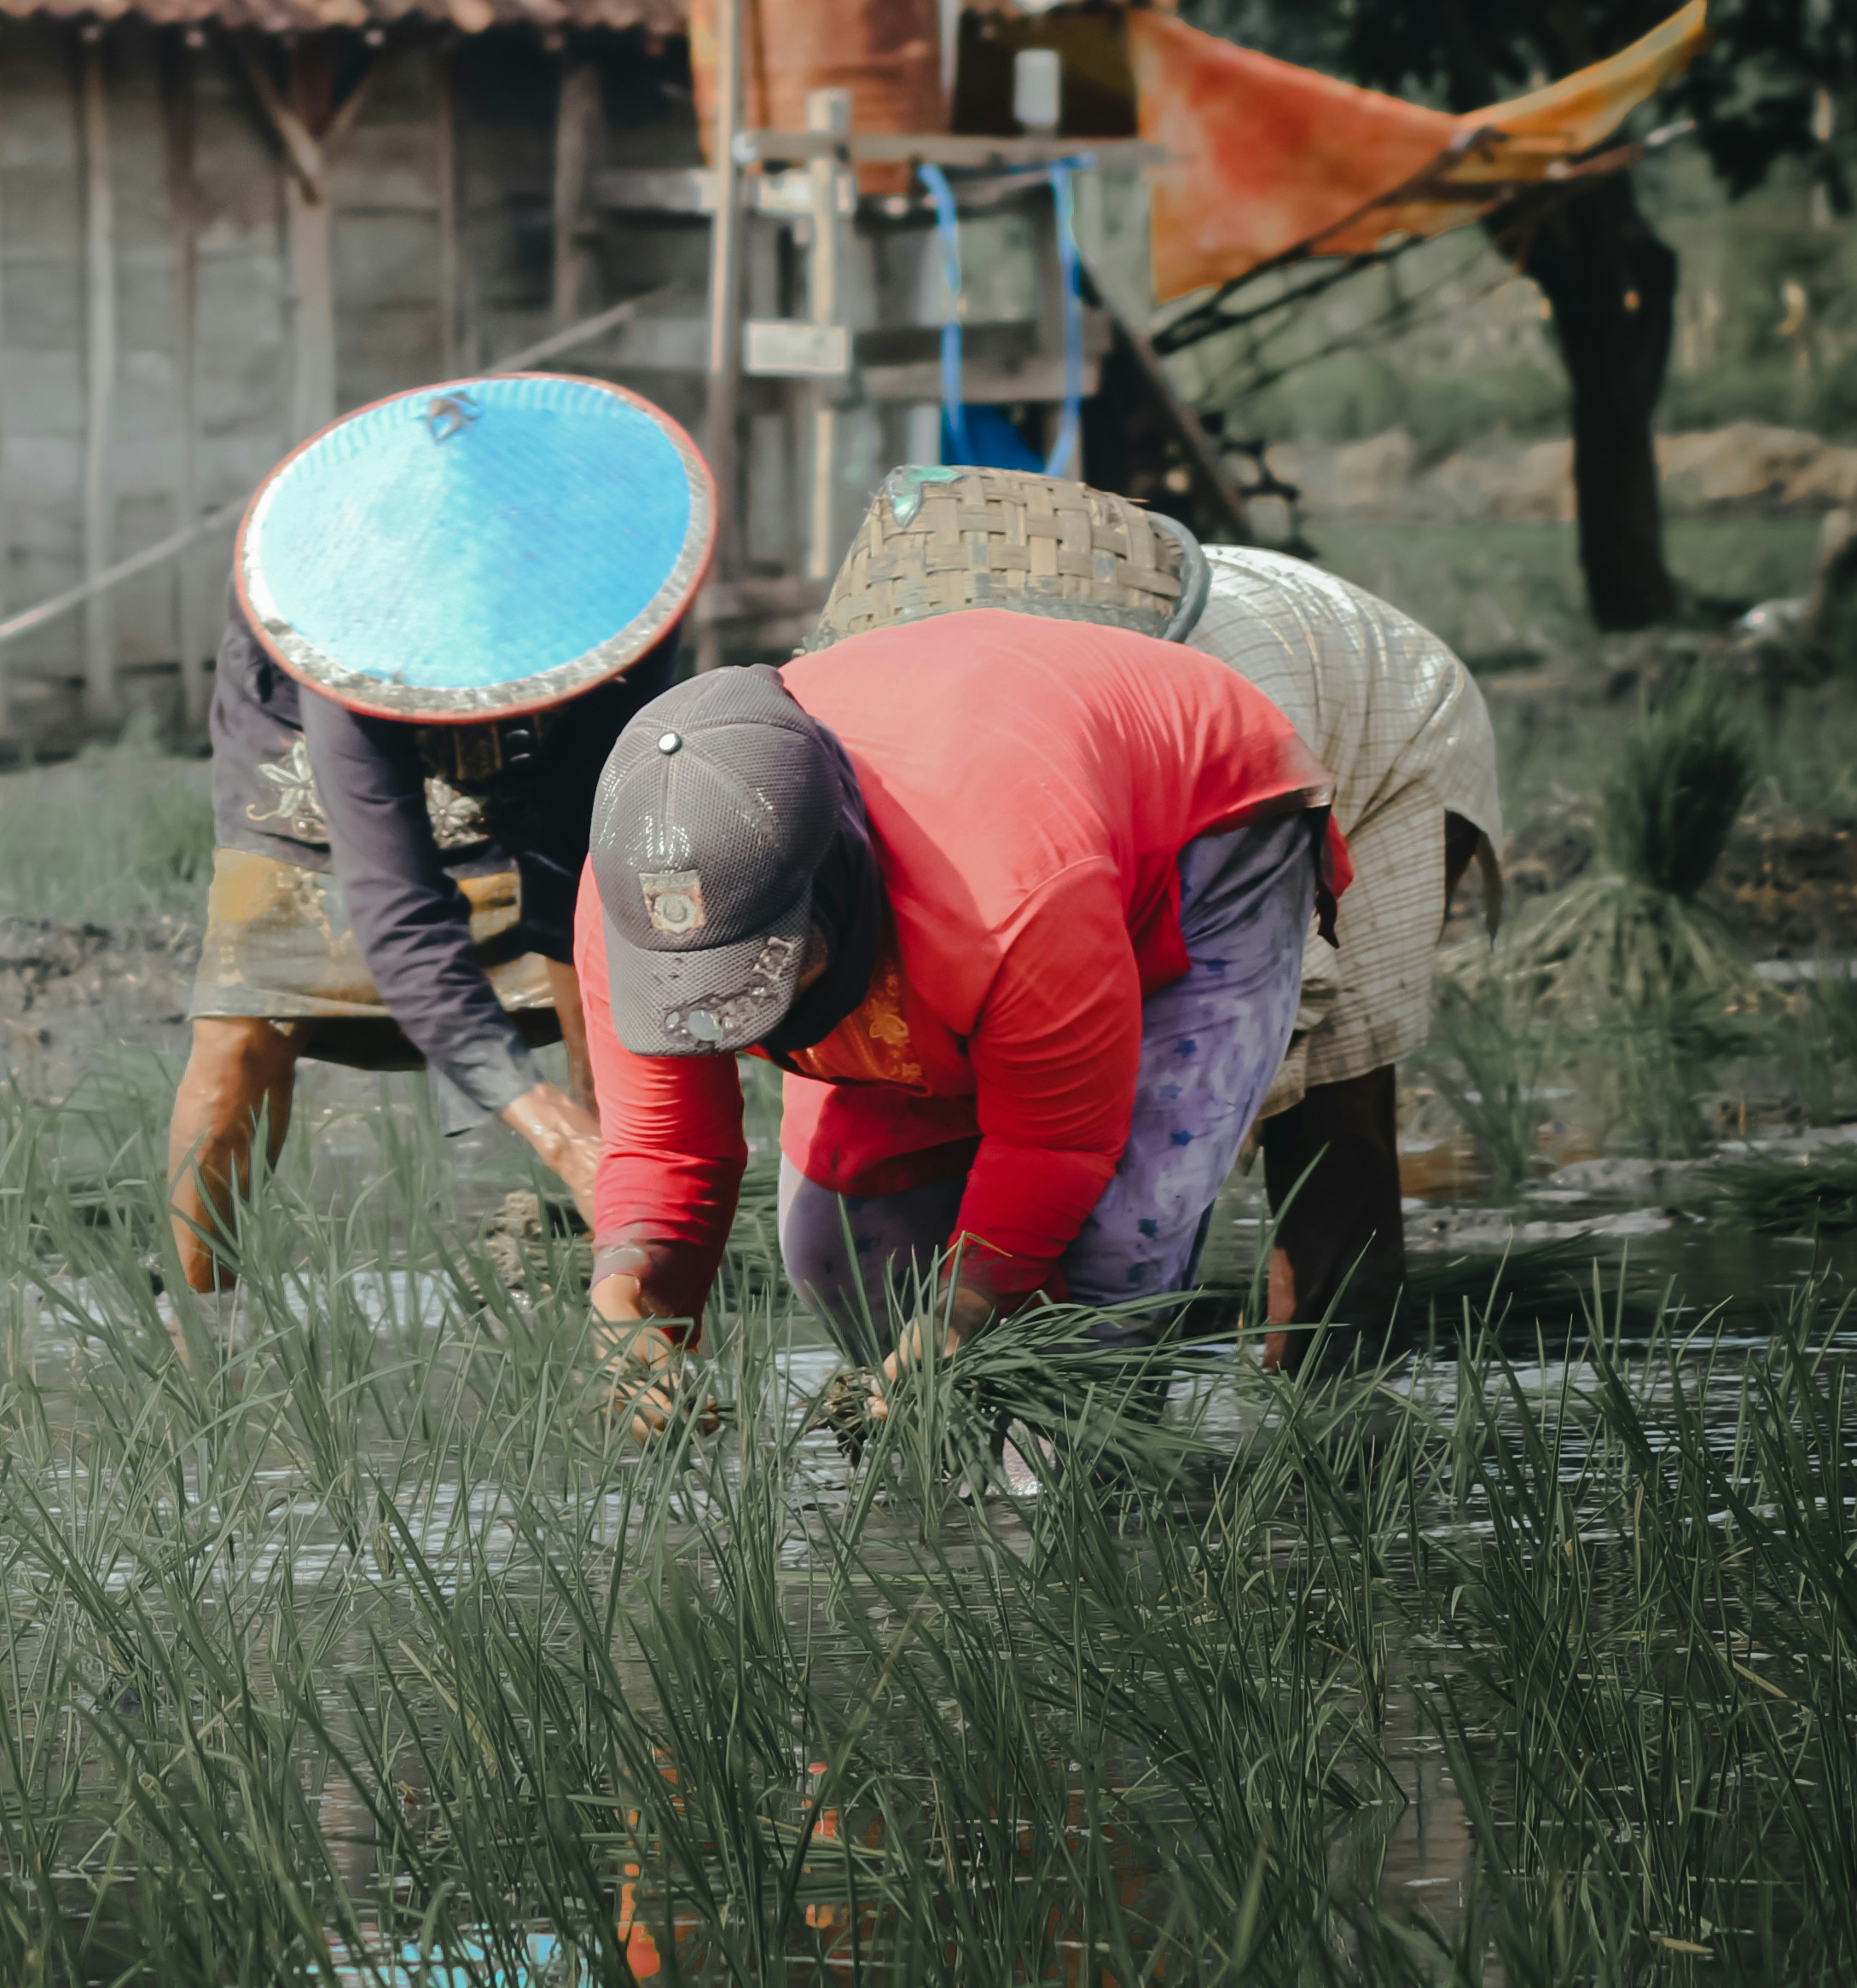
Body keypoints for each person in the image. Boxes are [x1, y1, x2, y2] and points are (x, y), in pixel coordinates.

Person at [809, 467, 1500, 1365]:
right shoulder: (924, 715)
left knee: (1323, 1098)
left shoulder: (1205, 694)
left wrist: (1094, 1238)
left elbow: (1223, 1043)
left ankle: (1338, 1386)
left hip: (1377, 731)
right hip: (1123, 802)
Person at [573, 611, 1339, 1400]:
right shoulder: (641, 894)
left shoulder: (1009, 899)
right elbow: (665, 1148)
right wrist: (628, 1300)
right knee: (839, 1258)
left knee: (1114, 1260)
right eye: (696, 987)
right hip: (960, 855)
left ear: (831, 891)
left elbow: (1054, 1145)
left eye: (754, 975)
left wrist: (963, 1313)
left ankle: (1088, 1502)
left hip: (1200, 824)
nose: (720, 1013)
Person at [168, 374, 710, 1291]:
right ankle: (194, 1308)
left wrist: (606, 1137)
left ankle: (628, 1281)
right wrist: (548, 1129)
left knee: (607, 985)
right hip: (309, 776)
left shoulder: (617, 591)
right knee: (244, 1030)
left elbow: (590, 840)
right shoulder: (338, 628)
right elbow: (399, 911)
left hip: (537, 769)